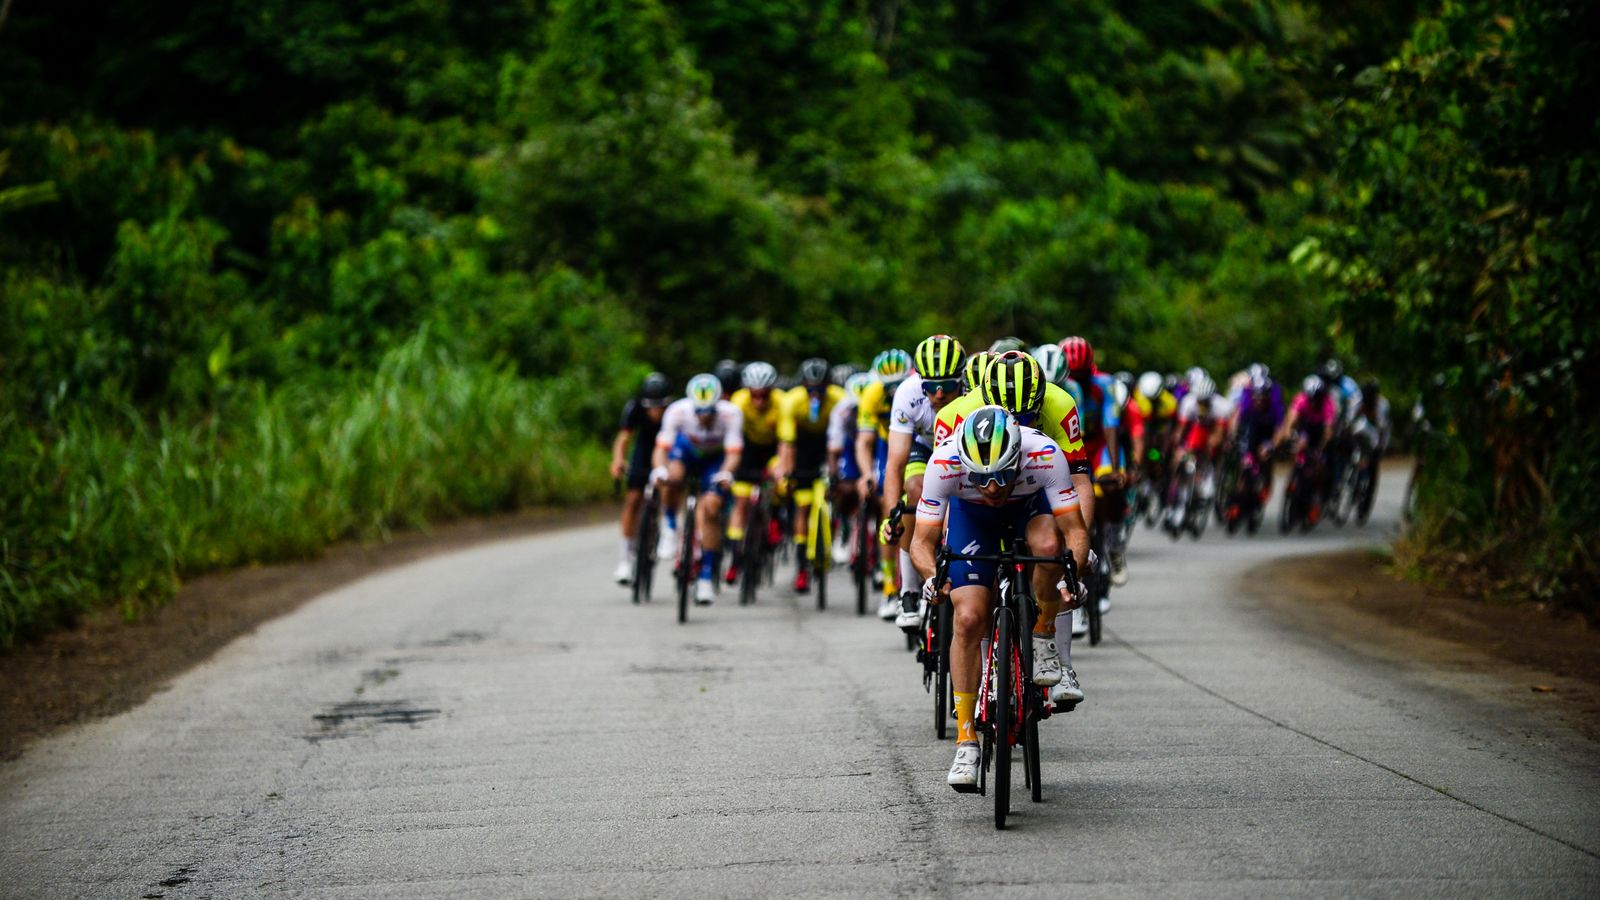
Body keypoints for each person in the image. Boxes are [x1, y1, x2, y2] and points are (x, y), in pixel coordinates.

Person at [910, 406, 1089, 790]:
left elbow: (1074, 528)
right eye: (981, 478)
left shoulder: (1042, 453)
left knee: (1048, 545)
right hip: (972, 519)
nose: (992, 488)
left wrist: (1071, 573)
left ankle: (1041, 635)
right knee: (969, 619)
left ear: (1018, 456)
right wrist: (931, 577)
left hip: (1029, 508)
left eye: (1002, 476)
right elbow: (921, 541)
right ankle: (965, 740)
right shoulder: (943, 462)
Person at [881, 334, 966, 624]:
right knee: (915, 490)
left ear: (962, 380)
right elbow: (894, 464)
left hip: (960, 449)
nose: (939, 395)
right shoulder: (908, 394)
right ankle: (908, 590)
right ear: (921, 381)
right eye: (931, 386)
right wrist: (891, 516)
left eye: (948, 386)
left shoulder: (972, 394)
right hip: (924, 448)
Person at [653, 374, 744, 604]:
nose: (703, 417)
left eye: (708, 412)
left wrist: (725, 474)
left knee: (712, 507)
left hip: (715, 458)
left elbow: (733, 453)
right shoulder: (677, 411)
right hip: (687, 451)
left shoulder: (731, 413)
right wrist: (659, 470)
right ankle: (670, 527)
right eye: (699, 412)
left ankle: (705, 578)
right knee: (672, 477)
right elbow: (661, 448)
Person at [1060, 336, 1126, 591]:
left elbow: (1111, 424)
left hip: (1098, 447)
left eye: (1082, 375)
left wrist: (1117, 470)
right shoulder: (1060, 388)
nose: (1077, 381)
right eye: (1072, 376)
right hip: (1070, 446)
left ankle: (1114, 543)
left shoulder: (1105, 385)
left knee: (1112, 484)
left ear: (1091, 369)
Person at [777, 358, 847, 593]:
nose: (815, 393)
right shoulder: (792, 401)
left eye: (820, 389)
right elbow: (788, 443)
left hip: (829, 443)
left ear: (828, 387)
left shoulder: (839, 399)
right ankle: (801, 566)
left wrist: (836, 473)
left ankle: (837, 534)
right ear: (803, 386)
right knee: (803, 504)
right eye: (810, 388)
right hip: (803, 447)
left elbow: (840, 441)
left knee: (834, 489)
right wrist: (787, 473)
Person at [854, 348, 913, 619]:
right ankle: (890, 585)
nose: (893, 392)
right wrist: (867, 473)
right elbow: (864, 442)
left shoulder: (916, 391)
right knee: (884, 504)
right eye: (888, 387)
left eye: (898, 385)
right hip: (886, 444)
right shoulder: (871, 394)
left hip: (915, 442)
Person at [609, 372, 672, 583]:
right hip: (643, 452)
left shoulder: (674, 411)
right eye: (651, 406)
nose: (655, 411)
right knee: (633, 501)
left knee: (667, 489)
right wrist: (618, 460)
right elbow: (624, 437)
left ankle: (666, 525)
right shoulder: (634, 407)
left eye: (659, 406)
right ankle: (625, 561)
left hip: (667, 452)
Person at [724, 362, 782, 587]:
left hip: (772, 448)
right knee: (741, 501)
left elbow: (787, 441)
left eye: (764, 395)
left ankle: (775, 517)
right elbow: (733, 438)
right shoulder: (738, 402)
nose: (759, 400)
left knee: (780, 480)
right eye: (754, 395)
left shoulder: (781, 403)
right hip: (747, 449)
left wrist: (780, 467)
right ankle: (735, 553)